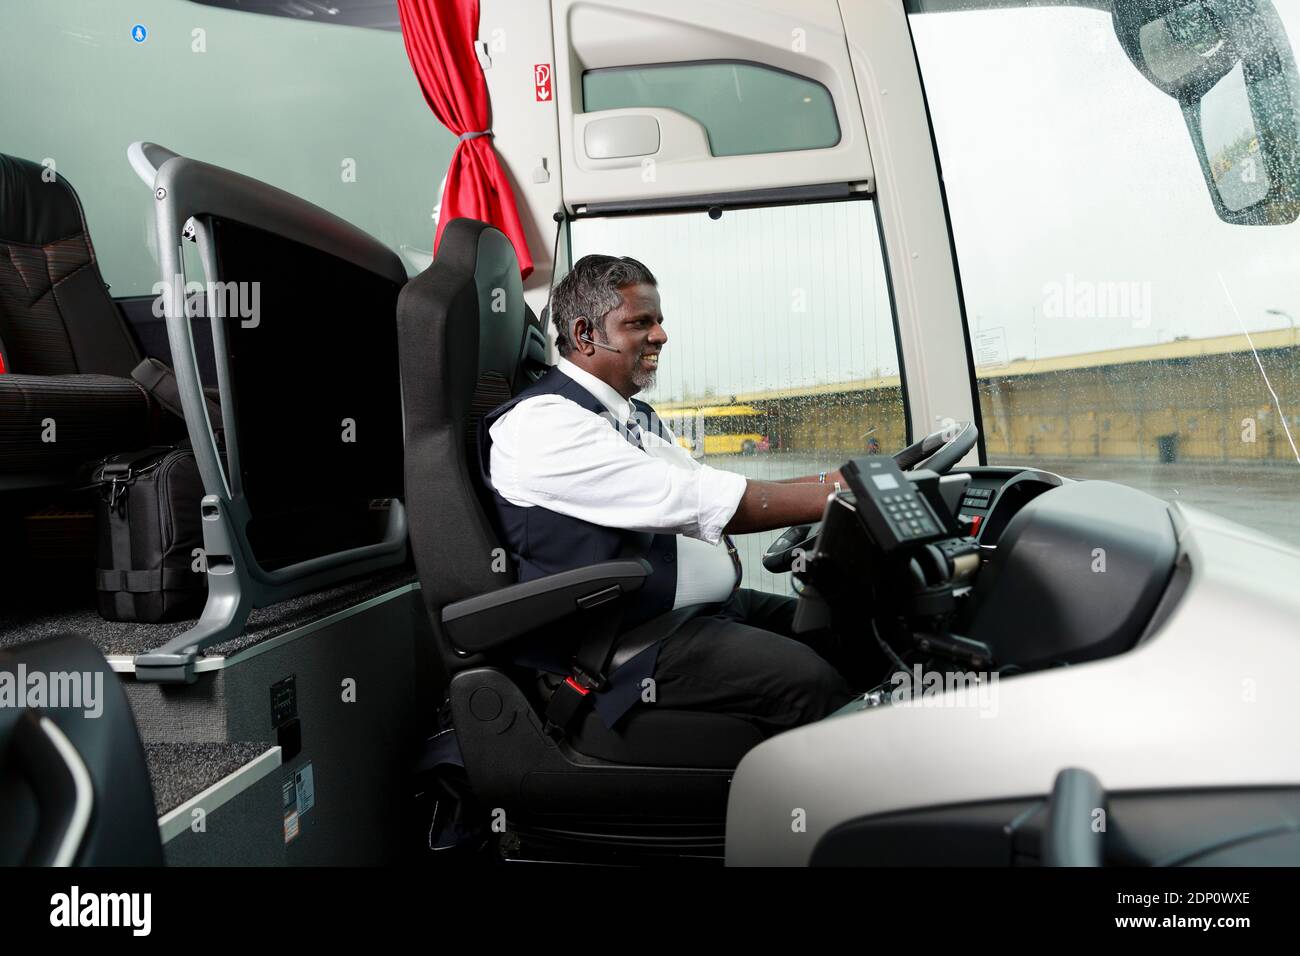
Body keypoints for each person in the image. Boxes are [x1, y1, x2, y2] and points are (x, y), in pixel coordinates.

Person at [480, 254, 862, 737]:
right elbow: (699, 499)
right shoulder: (544, 425)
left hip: (692, 614)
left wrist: (839, 479)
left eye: (659, 321)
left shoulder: (626, 416)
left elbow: (708, 481)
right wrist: (847, 494)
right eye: (640, 322)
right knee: (813, 682)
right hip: (627, 647)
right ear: (584, 335)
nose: (660, 335)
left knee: (844, 635)